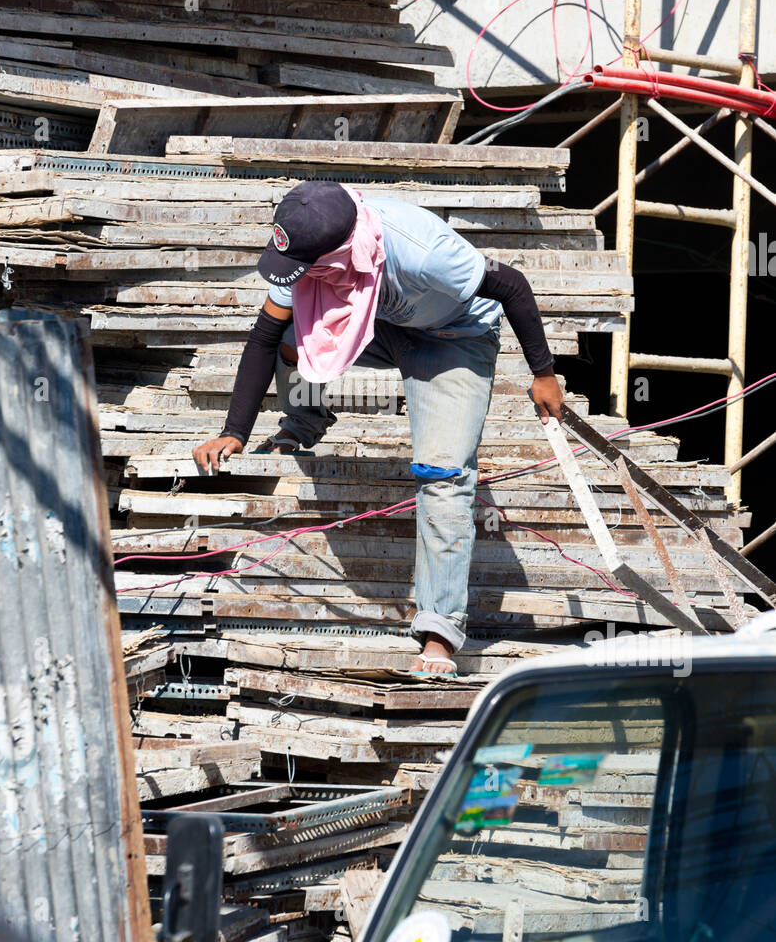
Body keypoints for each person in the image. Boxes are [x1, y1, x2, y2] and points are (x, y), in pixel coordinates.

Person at [193, 181, 563, 677]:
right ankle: (303, 421)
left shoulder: (425, 253)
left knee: (444, 477)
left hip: (453, 339)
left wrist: (543, 373)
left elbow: (512, 284)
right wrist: (234, 431)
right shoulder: (305, 246)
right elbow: (263, 337)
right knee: (285, 331)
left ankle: (439, 632)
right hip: (377, 324)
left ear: (341, 249)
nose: (293, 277)